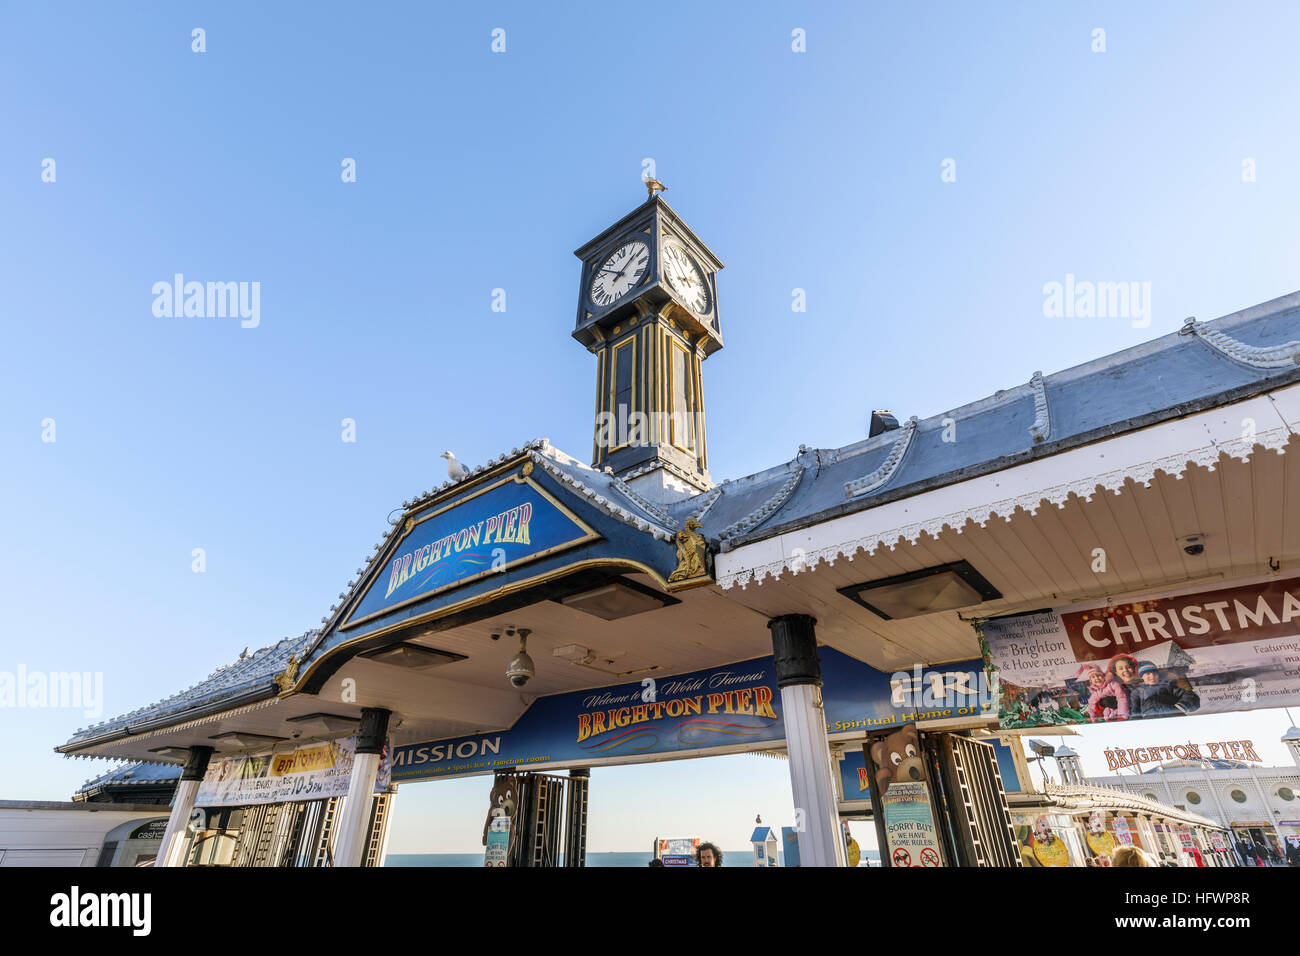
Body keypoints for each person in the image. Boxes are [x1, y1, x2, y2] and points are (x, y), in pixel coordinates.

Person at [1129, 661, 1200, 717]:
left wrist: (1178, 708)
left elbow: (1191, 697)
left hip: (1175, 720)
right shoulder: (1137, 693)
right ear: (1142, 677)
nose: (1152, 676)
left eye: (1155, 674)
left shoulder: (1167, 686)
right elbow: (1134, 712)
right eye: (1148, 674)